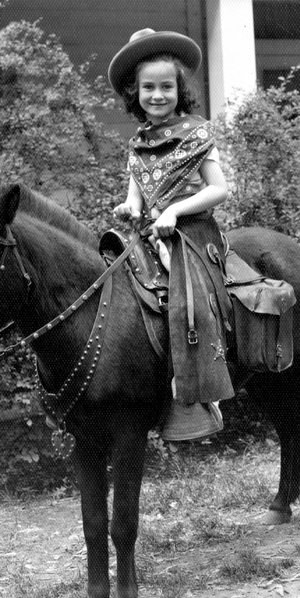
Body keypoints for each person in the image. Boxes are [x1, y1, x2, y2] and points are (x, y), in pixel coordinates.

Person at [108, 28, 235, 439]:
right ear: (136, 93)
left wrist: (177, 210)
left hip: (192, 233)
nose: (158, 95)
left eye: (166, 87)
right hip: (150, 235)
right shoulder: (138, 143)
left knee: (186, 297)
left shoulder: (197, 135)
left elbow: (220, 189)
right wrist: (130, 208)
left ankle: (199, 396)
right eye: (149, 88)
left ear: (180, 90)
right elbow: (136, 199)